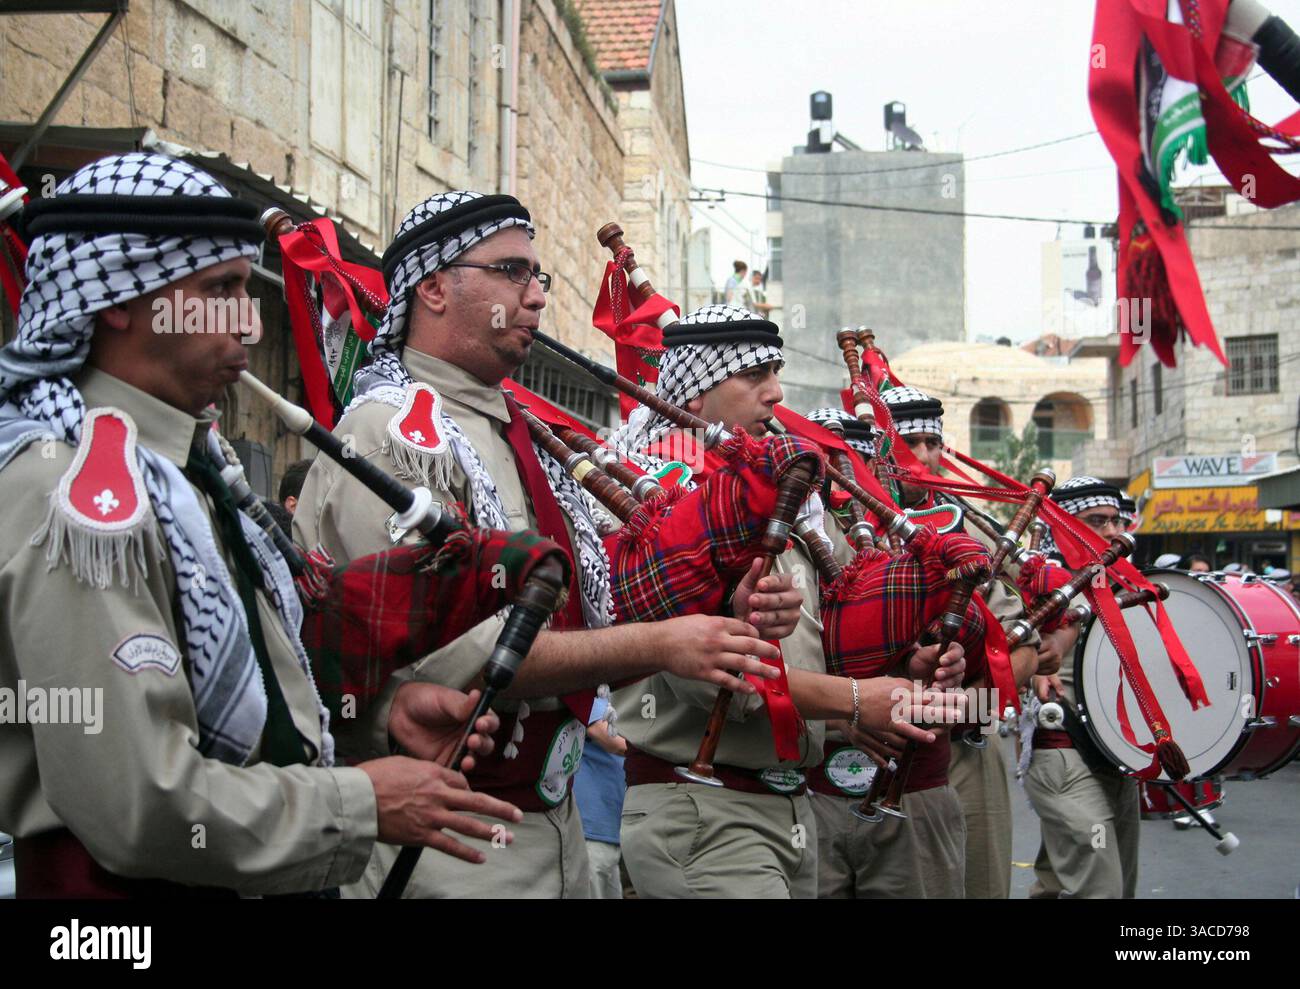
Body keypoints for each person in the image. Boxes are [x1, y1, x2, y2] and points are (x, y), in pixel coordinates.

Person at [0, 153, 519, 897]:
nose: (249, 320)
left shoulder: (187, 467)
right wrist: (362, 801)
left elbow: (236, 707)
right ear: (119, 299)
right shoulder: (78, 492)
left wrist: (375, 722)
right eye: (222, 291)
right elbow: (142, 801)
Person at [293, 192, 790, 899]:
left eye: (539, 279)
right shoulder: (392, 434)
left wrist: (722, 602)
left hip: (558, 824)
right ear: (432, 287)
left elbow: (591, 613)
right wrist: (663, 644)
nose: (534, 298)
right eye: (510, 273)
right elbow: (468, 651)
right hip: (446, 838)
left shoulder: (528, 436)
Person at [606, 305, 968, 898]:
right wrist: (854, 701)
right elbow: (717, 679)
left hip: (790, 807)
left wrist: (904, 668)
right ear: (694, 395)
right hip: (705, 809)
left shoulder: (795, 508)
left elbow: (813, 650)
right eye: (754, 376)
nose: (775, 394)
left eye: (775, 372)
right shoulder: (659, 505)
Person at [873, 385, 1045, 899]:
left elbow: (1025, 649)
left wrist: (967, 705)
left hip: (968, 739)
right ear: (880, 452)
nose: (925, 457)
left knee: (980, 882)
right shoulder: (842, 525)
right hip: (873, 739)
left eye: (933, 443)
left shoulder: (974, 529)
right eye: (910, 444)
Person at [1023, 475, 1139, 899]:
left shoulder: (1127, 587)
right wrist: (1035, 661)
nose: (1111, 531)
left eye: (1115, 521)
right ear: (1065, 527)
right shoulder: (1036, 584)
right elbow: (1013, 647)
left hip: (1120, 753)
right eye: (1096, 520)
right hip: (1063, 751)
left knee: (1084, 880)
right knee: (1100, 883)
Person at [572, 695, 627, 898]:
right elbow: (613, 741)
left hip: (610, 830)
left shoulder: (619, 698)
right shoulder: (593, 695)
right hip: (590, 829)